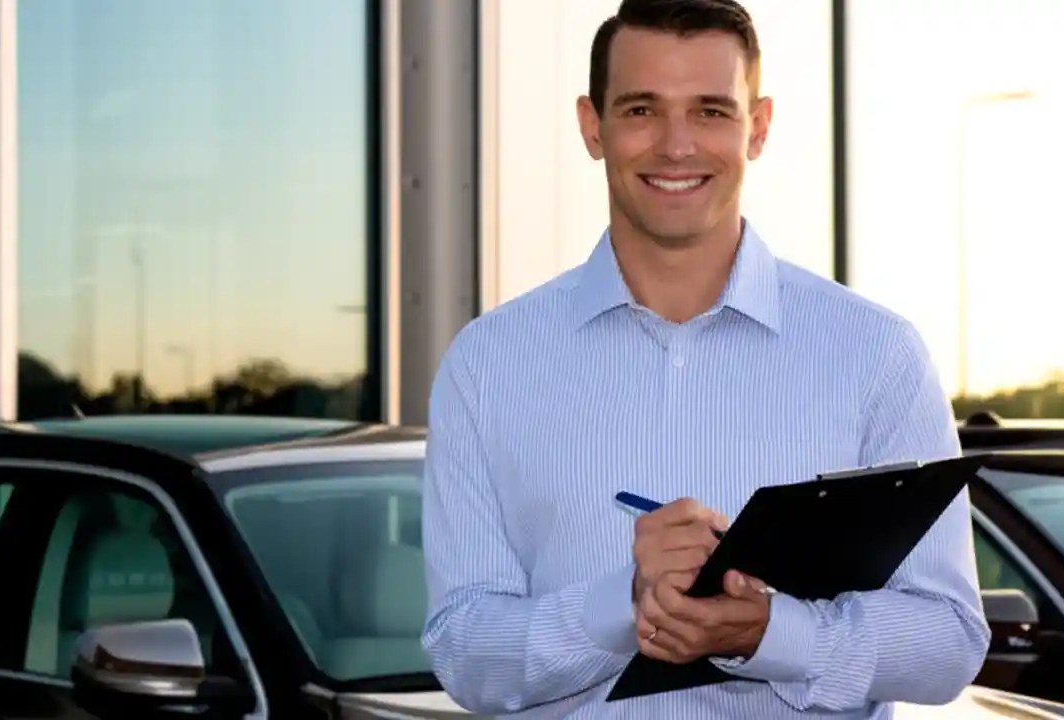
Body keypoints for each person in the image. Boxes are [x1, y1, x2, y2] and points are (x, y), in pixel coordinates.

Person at [419, 0, 990, 717]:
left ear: (760, 126)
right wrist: (620, 606)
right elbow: (463, 650)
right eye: (640, 110)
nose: (677, 146)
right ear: (592, 127)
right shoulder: (488, 365)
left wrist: (772, 634)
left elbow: (949, 640)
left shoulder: (876, 355)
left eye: (712, 111)